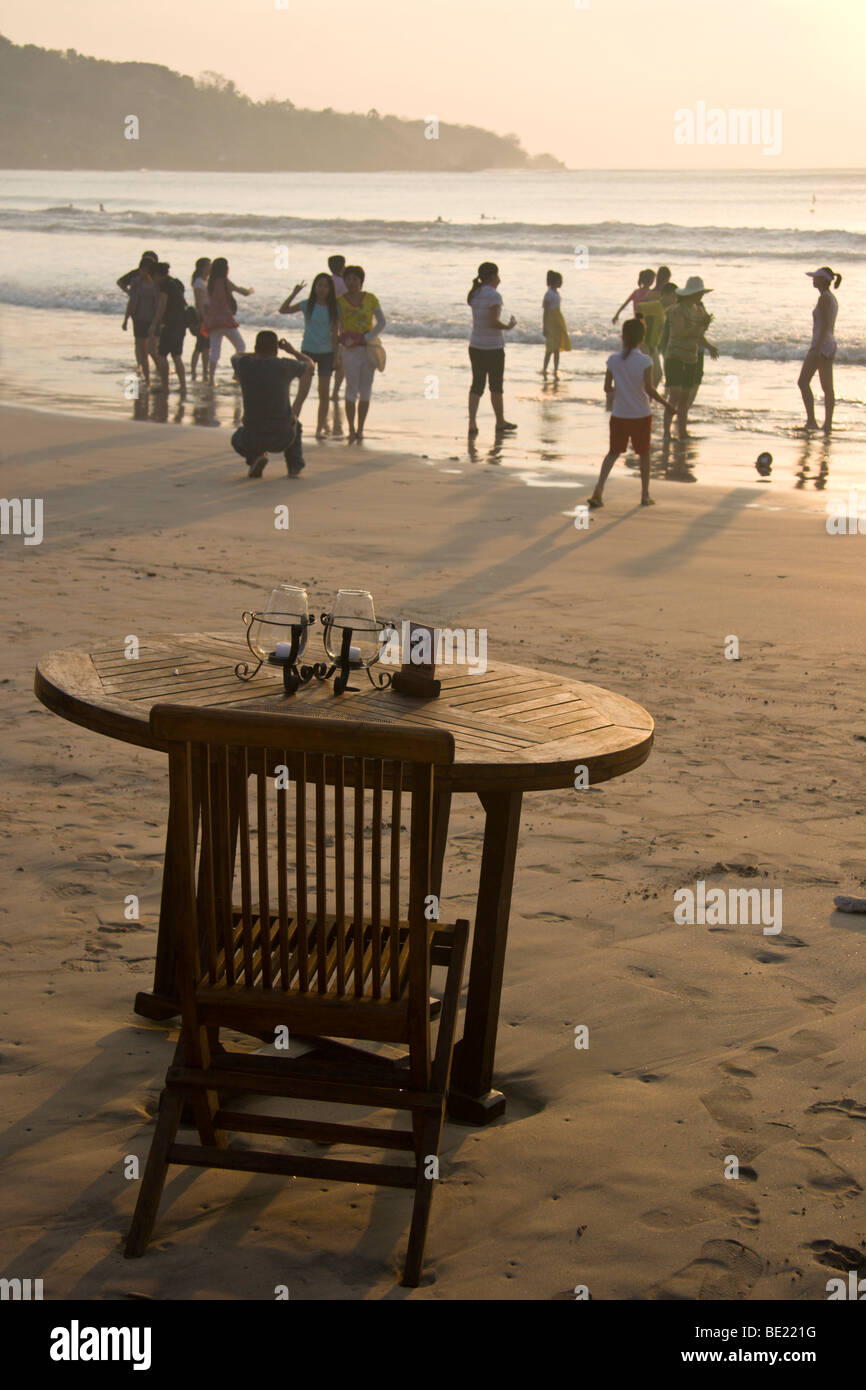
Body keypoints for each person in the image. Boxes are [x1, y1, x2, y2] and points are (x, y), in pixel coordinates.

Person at [587, 318, 674, 509]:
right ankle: (644, 495)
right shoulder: (645, 361)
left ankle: (599, 489)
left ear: (623, 338)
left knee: (613, 453)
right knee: (643, 454)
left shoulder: (613, 360)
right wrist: (667, 404)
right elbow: (650, 390)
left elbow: (607, 387)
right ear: (642, 339)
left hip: (620, 414)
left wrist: (620, 393)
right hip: (641, 414)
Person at [230, 331, 314, 478]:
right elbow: (310, 365)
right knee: (296, 424)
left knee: (237, 438)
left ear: (256, 348)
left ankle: (255, 457)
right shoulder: (284, 365)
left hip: (252, 436)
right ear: (276, 349)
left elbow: (236, 356)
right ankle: (294, 466)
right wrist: (291, 351)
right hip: (282, 436)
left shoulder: (244, 364)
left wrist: (256, 354)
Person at [279, 272, 340, 439]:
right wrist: (294, 293)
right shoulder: (308, 304)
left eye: (325, 286)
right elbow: (283, 310)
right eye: (319, 285)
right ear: (315, 287)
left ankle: (319, 429)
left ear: (330, 289)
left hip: (327, 353)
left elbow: (335, 334)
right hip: (308, 352)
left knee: (324, 394)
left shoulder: (335, 308)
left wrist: (336, 357)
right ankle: (289, 427)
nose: (322, 289)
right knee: (302, 392)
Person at [663, 276, 719, 438]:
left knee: (685, 398)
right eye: (699, 293)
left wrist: (709, 347)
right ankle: (667, 432)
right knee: (675, 395)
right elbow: (681, 333)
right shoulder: (677, 310)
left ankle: (682, 432)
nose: (701, 296)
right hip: (675, 356)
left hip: (691, 357)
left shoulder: (699, 310)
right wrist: (701, 325)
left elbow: (698, 337)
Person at [336, 265, 385, 444]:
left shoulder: (370, 299)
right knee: (350, 389)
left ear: (361, 281)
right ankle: (350, 428)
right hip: (349, 350)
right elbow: (337, 324)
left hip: (368, 348)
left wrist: (367, 337)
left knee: (366, 389)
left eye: (355, 279)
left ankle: (361, 428)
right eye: (348, 279)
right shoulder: (339, 301)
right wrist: (341, 341)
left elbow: (381, 322)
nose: (351, 282)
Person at [467, 261, 517, 435]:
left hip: (475, 344)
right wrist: (509, 326)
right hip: (493, 346)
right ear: (492, 277)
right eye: (498, 275)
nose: (500, 279)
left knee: (477, 385)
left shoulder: (475, 293)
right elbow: (493, 322)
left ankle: (472, 423)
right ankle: (500, 422)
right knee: (496, 386)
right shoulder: (494, 296)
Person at [799, 266, 841, 433]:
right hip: (830, 344)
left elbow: (823, 326)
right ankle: (827, 424)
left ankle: (811, 421)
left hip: (821, 345)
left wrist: (817, 349)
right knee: (827, 387)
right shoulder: (832, 298)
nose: (813, 279)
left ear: (824, 280)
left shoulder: (824, 298)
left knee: (803, 382)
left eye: (816, 277)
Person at [205, 257, 254, 383]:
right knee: (241, 346)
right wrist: (250, 290)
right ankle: (236, 374)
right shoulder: (225, 281)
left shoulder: (210, 283)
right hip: (226, 320)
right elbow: (242, 292)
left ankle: (211, 379)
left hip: (212, 321)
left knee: (215, 350)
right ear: (225, 269)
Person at [149, 263, 189, 395]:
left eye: (153, 276)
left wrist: (154, 324)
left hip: (170, 325)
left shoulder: (165, 286)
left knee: (162, 355)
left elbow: (162, 307)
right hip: (181, 324)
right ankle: (183, 387)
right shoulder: (176, 283)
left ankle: (165, 387)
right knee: (177, 356)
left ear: (158, 275)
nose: (153, 280)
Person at [122, 257, 161, 387]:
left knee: (153, 350)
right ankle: (147, 379)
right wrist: (126, 319)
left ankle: (161, 372)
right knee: (142, 351)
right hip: (138, 319)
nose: (142, 273)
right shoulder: (136, 282)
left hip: (152, 320)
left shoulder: (157, 285)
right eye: (141, 270)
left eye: (145, 270)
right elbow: (132, 302)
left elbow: (159, 305)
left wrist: (159, 322)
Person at [542, 270, 571, 376]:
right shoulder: (548, 294)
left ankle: (555, 369)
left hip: (557, 321)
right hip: (551, 322)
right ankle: (544, 369)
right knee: (550, 348)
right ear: (556, 281)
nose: (562, 282)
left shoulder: (555, 293)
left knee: (557, 348)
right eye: (560, 280)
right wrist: (544, 326)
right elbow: (545, 311)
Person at [328, 254, 348, 401]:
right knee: (341, 362)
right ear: (343, 266)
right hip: (341, 326)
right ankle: (335, 392)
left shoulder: (326, 281)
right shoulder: (343, 283)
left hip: (326, 324)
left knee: (327, 359)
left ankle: (326, 387)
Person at [189, 257, 211, 381]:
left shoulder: (204, 281)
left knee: (206, 345)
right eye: (208, 266)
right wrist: (203, 318)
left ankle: (204, 369)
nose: (210, 269)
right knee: (200, 345)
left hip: (206, 315)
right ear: (202, 268)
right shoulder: (199, 282)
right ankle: (194, 370)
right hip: (202, 316)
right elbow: (199, 302)